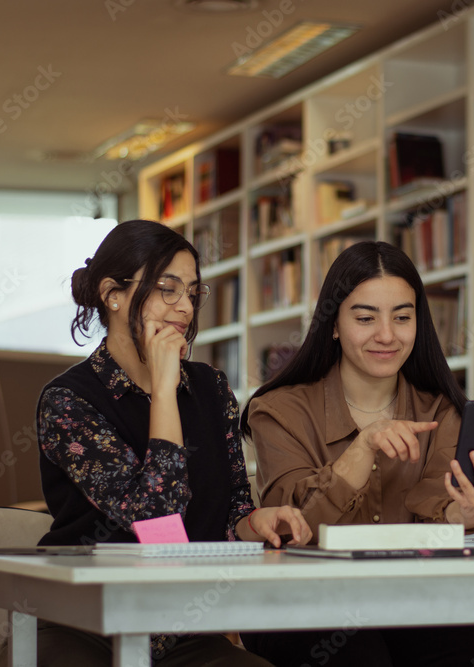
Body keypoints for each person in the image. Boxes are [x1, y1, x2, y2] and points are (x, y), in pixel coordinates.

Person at [24, 219, 310, 667]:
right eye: (168, 289)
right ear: (112, 294)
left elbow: (231, 510)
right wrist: (163, 389)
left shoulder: (212, 388)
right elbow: (156, 520)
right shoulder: (68, 401)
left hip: (179, 630)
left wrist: (257, 522)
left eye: (193, 293)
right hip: (86, 623)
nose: (185, 308)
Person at [239, 240, 474, 667]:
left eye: (402, 317)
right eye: (365, 318)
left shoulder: (442, 410)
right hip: (303, 601)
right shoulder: (279, 410)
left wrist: (469, 514)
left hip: (413, 600)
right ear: (333, 324)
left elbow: (439, 513)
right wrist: (361, 450)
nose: (387, 335)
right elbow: (292, 526)